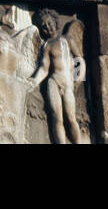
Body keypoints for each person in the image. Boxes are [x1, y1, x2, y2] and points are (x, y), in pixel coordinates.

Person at [28, 8, 86, 144]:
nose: (47, 27)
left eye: (49, 23)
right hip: (53, 82)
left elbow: (79, 59)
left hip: (67, 83)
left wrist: (78, 79)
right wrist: (33, 81)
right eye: (44, 26)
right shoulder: (47, 46)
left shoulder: (67, 40)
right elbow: (44, 68)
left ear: (54, 22)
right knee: (56, 118)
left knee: (71, 118)